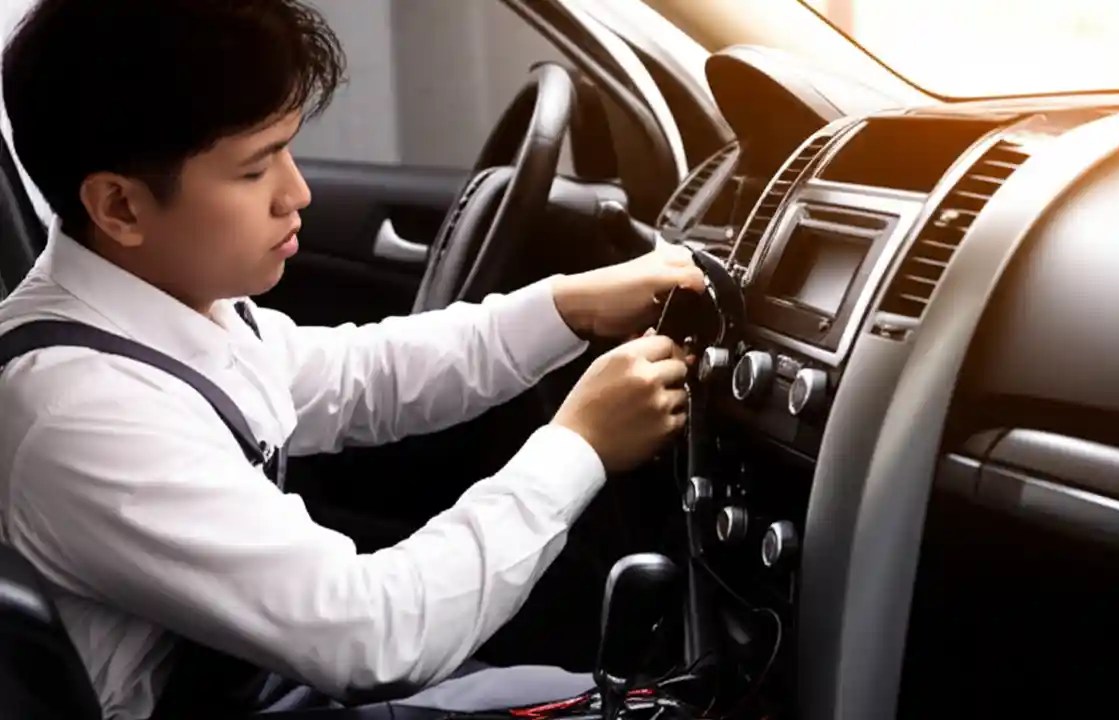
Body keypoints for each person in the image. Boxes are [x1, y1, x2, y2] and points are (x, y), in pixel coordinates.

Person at [0, 1, 704, 719]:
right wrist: (581, 445)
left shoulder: (163, 306)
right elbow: (375, 636)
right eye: (255, 169)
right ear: (120, 207)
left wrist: (567, 307)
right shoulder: (80, 414)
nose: (296, 193)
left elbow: (360, 378)